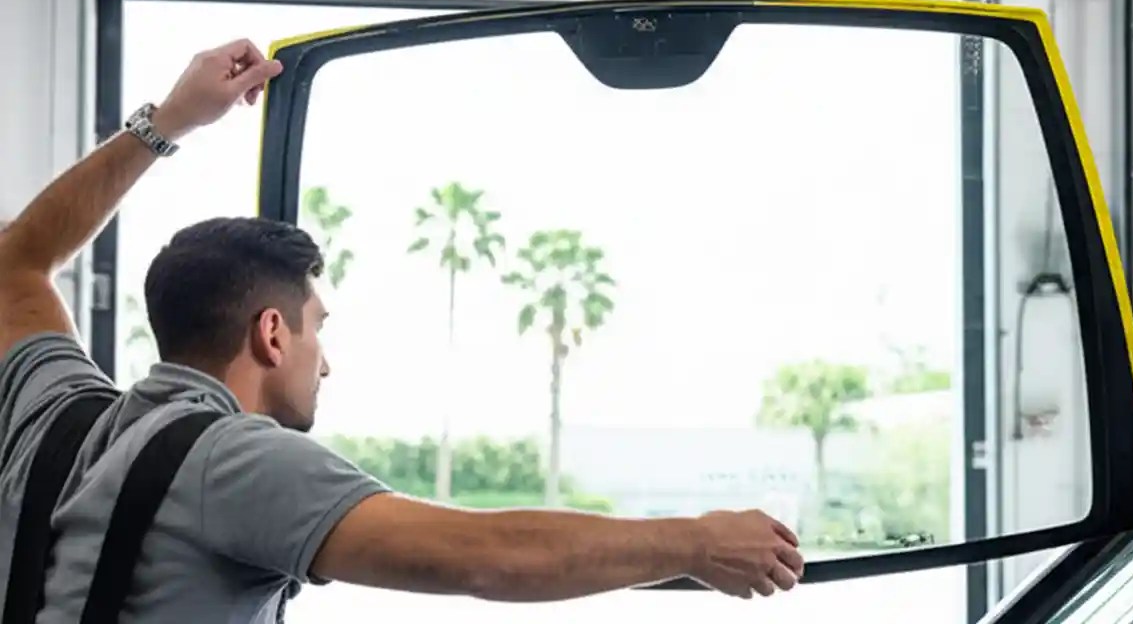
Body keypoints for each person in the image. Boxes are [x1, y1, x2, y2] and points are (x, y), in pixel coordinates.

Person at [0, 39, 805, 621]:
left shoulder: (56, 412)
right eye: (319, 330)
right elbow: (490, 560)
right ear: (272, 335)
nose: (327, 363)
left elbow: (16, 266)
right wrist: (698, 542)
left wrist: (171, 118)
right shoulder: (234, 462)